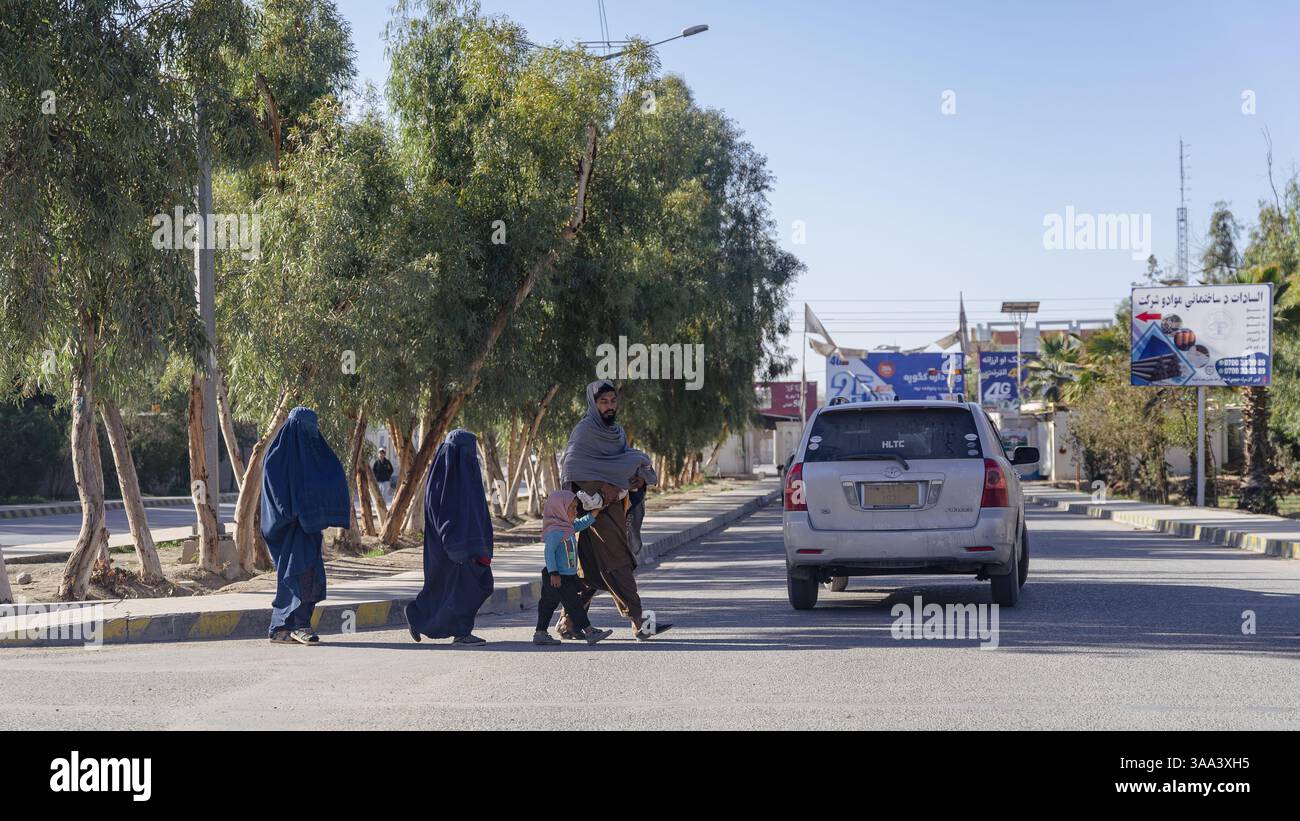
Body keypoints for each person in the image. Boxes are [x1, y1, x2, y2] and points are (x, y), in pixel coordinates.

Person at [555, 380, 671, 641]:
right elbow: (573, 468)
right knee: (618, 561)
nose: (609, 407)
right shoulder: (584, 432)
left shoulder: (617, 433)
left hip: (612, 508)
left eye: (612, 401)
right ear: (593, 404)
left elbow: (623, 464)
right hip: (592, 512)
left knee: (589, 571)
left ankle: (568, 621)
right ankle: (639, 621)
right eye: (603, 402)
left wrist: (635, 477)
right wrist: (600, 493)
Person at [261, 406, 351, 646]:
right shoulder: (276, 458)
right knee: (296, 575)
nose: (312, 433)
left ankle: (283, 627)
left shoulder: (315, 456)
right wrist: (295, 512)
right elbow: (275, 495)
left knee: (310, 575)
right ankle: (296, 625)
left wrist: (321, 510)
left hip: (309, 529)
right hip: (288, 529)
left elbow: (331, 478)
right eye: (307, 428)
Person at [405, 429, 495, 646]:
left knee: (462, 587)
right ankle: (460, 632)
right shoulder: (443, 477)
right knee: (461, 588)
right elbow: (440, 511)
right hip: (451, 544)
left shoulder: (465, 476)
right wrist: (453, 542)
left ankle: (418, 617)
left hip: (467, 543)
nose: (470, 457)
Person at [533, 490, 614, 646]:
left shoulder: (568, 527)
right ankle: (590, 632)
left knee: (549, 604)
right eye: (572, 508)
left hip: (566, 576)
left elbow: (583, 523)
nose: (576, 511)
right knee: (574, 605)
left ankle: (540, 633)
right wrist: (554, 573)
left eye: (576, 507)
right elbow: (548, 553)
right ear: (560, 509)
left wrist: (596, 511)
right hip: (557, 577)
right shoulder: (555, 532)